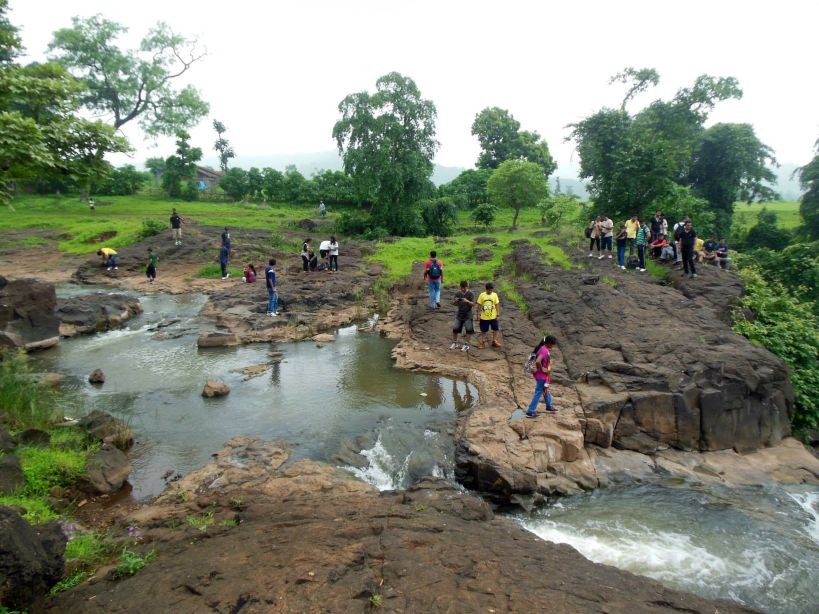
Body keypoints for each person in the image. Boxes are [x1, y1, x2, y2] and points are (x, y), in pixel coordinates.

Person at [525, 335, 557, 418]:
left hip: (540, 374)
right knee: (539, 392)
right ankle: (531, 411)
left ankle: (549, 406)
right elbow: (538, 361)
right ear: (549, 343)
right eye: (553, 344)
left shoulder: (541, 348)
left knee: (545, 389)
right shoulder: (545, 350)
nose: (553, 346)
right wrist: (543, 369)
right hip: (541, 375)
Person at [450, 280, 474, 352]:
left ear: (467, 287)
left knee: (468, 330)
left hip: (468, 314)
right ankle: (455, 343)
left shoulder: (470, 293)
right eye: (462, 288)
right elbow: (453, 303)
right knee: (455, 329)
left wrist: (467, 301)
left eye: (464, 288)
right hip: (459, 314)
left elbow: (473, 304)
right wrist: (455, 301)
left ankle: (466, 345)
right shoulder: (458, 293)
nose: (463, 289)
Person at [476, 282, 501, 349]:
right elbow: (479, 305)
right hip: (484, 317)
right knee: (483, 330)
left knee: (495, 328)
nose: (490, 291)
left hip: (493, 316)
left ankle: (494, 341)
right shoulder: (482, 295)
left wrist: (498, 314)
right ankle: (483, 342)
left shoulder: (494, 295)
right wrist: (478, 314)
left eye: (491, 290)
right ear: (486, 289)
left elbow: (497, 304)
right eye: (489, 290)